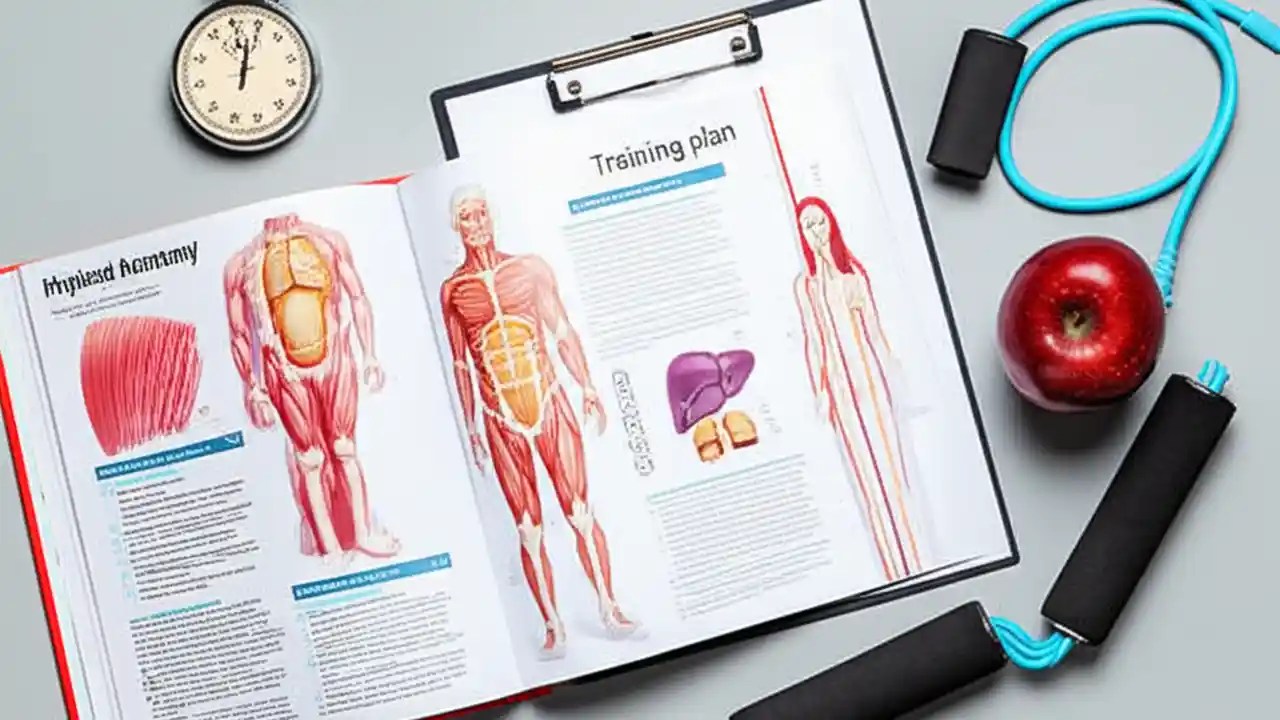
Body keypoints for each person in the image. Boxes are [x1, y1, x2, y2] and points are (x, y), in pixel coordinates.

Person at [438, 185, 637, 659]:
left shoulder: (528, 268)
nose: (477, 222)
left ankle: (609, 607)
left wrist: (586, 385)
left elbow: (560, 327)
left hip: (547, 399)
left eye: (482, 212)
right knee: (528, 528)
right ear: (456, 226)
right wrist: (471, 426)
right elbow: (462, 361)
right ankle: (553, 626)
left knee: (580, 513)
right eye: (467, 216)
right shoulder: (454, 291)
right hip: (498, 413)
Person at [224, 213, 400, 565]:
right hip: (284, 370)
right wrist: (253, 386)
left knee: (344, 448)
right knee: (310, 458)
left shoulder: (328, 241)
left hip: (333, 357)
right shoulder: (242, 263)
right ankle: (329, 546)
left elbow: (357, 297)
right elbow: (240, 332)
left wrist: (370, 354)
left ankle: (362, 533)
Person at [791, 195, 926, 581]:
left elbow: (874, 330)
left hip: (875, 384)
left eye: (820, 222)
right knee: (868, 482)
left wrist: (895, 374)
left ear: (831, 223)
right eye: (807, 225)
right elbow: (814, 340)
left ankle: (917, 562)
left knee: (896, 474)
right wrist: (820, 389)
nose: (816, 231)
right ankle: (893, 570)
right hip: (841, 391)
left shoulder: (855, 276)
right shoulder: (807, 286)